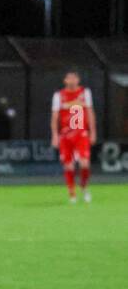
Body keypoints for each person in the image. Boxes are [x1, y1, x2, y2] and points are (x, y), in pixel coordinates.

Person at [50, 70, 96, 204]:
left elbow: (90, 112)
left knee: (85, 164)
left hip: (81, 133)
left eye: (74, 78)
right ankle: (72, 192)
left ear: (78, 79)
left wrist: (93, 131)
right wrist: (54, 134)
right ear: (65, 80)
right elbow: (55, 116)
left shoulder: (85, 93)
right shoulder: (59, 95)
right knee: (68, 166)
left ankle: (84, 186)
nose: (72, 80)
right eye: (69, 78)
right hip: (65, 135)